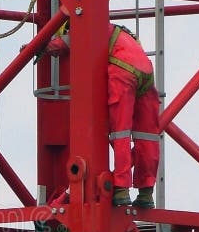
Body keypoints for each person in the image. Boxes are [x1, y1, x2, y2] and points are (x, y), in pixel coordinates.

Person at [42, 22, 161, 208]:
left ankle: (121, 189)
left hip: (123, 70)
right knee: (147, 136)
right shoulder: (122, 33)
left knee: (120, 132)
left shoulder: (89, 23)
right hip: (146, 72)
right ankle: (146, 193)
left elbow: (66, 42)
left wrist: (40, 47)